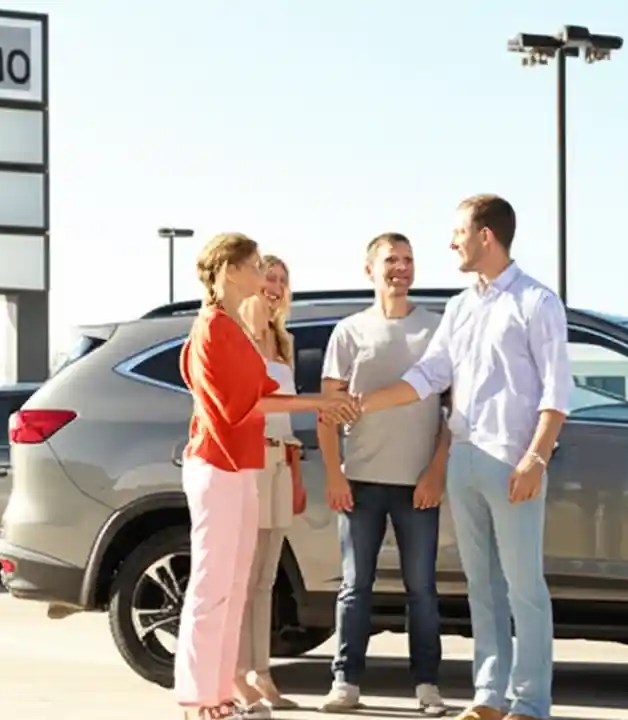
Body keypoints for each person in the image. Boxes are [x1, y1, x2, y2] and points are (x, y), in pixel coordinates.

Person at [356, 195, 571, 720]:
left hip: (512, 462)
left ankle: (531, 702)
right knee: (483, 587)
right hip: (465, 460)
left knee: (524, 587)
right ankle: (489, 696)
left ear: (486, 236)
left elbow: (556, 392)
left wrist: (535, 461)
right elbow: (430, 376)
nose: (451, 241)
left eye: (458, 232)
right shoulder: (461, 306)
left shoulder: (537, 303)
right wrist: (361, 405)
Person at [175, 232, 360, 720]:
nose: (264, 274)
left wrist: (319, 406)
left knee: (235, 584)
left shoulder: (232, 329)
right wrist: (321, 402)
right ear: (231, 270)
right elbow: (245, 405)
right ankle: (199, 698)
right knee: (212, 584)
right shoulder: (212, 328)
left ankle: (221, 692)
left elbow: (263, 399)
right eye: (256, 265)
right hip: (217, 466)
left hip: (244, 466)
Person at [316, 233, 450, 717]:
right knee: (355, 586)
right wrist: (334, 473)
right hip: (362, 482)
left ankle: (428, 686)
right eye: (390, 260)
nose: (401, 267)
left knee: (422, 589)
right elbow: (327, 412)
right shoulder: (350, 332)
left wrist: (437, 470)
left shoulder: (438, 329)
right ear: (369, 269)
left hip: (418, 484)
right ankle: (345, 682)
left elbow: (454, 411)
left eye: (408, 259)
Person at [232, 255, 302, 717]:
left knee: (265, 579)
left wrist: (295, 476)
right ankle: (235, 672)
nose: (273, 287)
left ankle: (262, 670)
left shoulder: (285, 342)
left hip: (281, 459)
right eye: (266, 278)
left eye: (280, 280)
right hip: (248, 463)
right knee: (241, 575)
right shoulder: (237, 338)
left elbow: (288, 414)